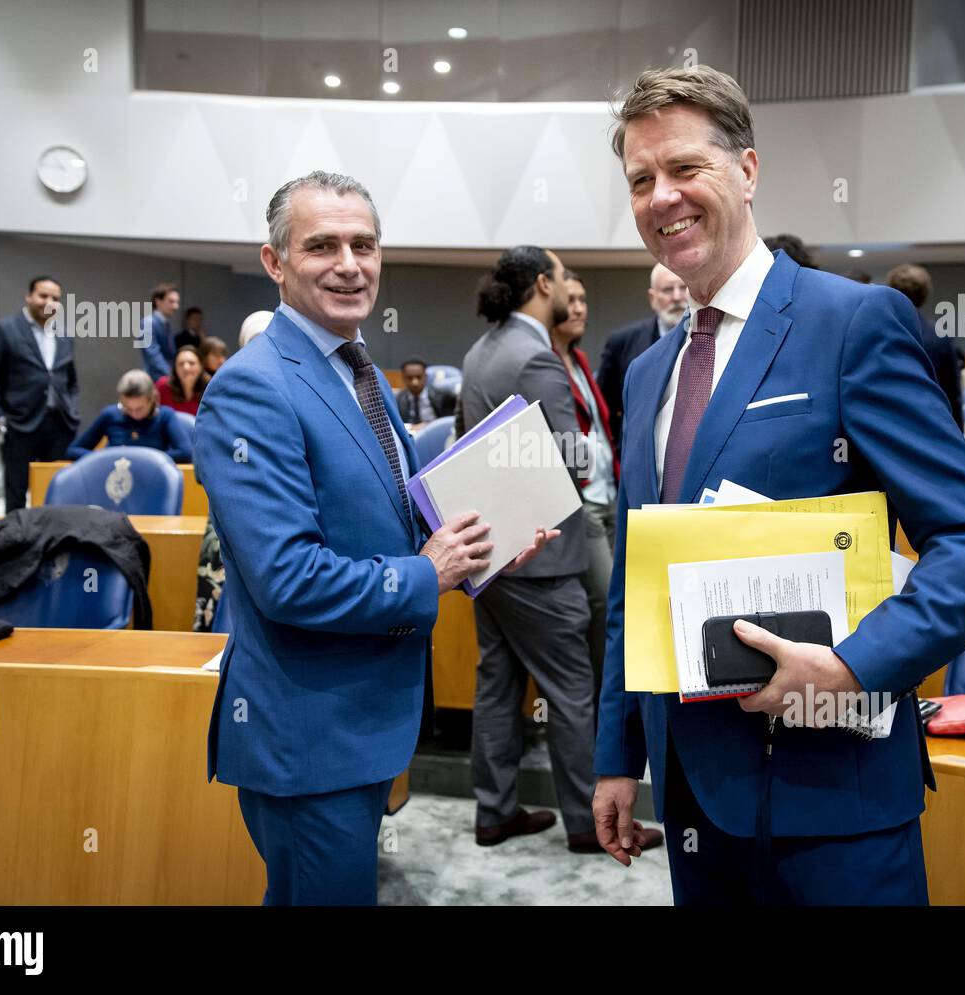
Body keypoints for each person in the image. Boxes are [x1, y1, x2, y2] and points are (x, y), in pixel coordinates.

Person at [591, 65, 965, 906]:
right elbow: (632, 588)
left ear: (747, 171)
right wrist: (618, 755)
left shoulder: (853, 323)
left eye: (685, 168)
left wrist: (852, 667)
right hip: (694, 805)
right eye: (641, 179)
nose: (661, 197)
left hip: (835, 801)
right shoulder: (646, 375)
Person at [194, 171, 553, 906]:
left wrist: (487, 537)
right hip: (308, 736)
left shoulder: (358, 368)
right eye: (321, 245)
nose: (349, 263)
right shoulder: (254, 387)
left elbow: (392, 511)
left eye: (364, 243)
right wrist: (430, 572)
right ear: (275, 262)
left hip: (360, 725)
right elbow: (288, 576)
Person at [458, 245, 662, 856]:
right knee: (572, 691)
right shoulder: (537, 358)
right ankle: (586, 823)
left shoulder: (481, 349)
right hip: (541, 552)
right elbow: (572, 463)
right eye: (565, 276)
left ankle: (494, 813)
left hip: (489, 549)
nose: (570, 285)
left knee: (497, 683)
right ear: (543, 284)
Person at [549, 268, 619, 698]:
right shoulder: (545, 360)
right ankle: (606, 699)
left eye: (583, 299)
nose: (578, 308)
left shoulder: (579, 358)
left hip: (609, 492)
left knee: (612, 599)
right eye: (569, 299)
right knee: (607, 602)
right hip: (582, 502)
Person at [0, 275, 80, 513]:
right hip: (19, 423)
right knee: (16, 491)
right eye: (43, 295)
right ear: (29, 297)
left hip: (59, 424)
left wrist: (72, 409)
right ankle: (16, 544)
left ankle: (53, 540)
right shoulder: (4, 329)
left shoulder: (65, 335)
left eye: (55, 298)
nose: (49, 302)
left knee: (58, 489)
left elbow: (70, 380)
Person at [595, 263, 688, 446]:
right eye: (668, 289)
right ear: (653, 298)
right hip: (637, 451)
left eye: (684, 288)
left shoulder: (710, 337)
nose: (677, 297)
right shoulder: (621, 342)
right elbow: (605, 408)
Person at [886, 264, 963, 427]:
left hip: (885, 422)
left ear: (891, 291)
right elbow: (951, 394)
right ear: (925, 294)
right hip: (929, 424)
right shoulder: (940, 336)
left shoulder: (875, 331)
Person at [67, 369, 192, 462]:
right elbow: (73, 450)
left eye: (140, 409)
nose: (134, 414)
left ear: (152, 400)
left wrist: (145, 458)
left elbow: (185, 452)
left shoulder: (165, 416)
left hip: (150, 477)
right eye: (128, 408)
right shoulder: (110, 415)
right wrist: (105, 458)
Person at [393, 357, 452, 427]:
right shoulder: (397, 399)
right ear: (403, 378)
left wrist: (428, 425)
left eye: (419, 377)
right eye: (410, 378)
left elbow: (448, 423)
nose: (415, 382)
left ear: (425, 376)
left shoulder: (442, 397)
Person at [140, 282, 181, 380]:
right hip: (156, 380)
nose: (176, 306)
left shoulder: (166, 324)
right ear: (158, 301)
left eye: (177, 302)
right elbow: (152, 354)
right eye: (171, 301)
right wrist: (171, 375)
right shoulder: (147, 323)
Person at [156, 344, 209, 415]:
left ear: (201, 366)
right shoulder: (163, 386)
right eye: (181, 364)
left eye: (191, 363)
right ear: (175, 369)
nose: (186, 368)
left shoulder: (210, 388)